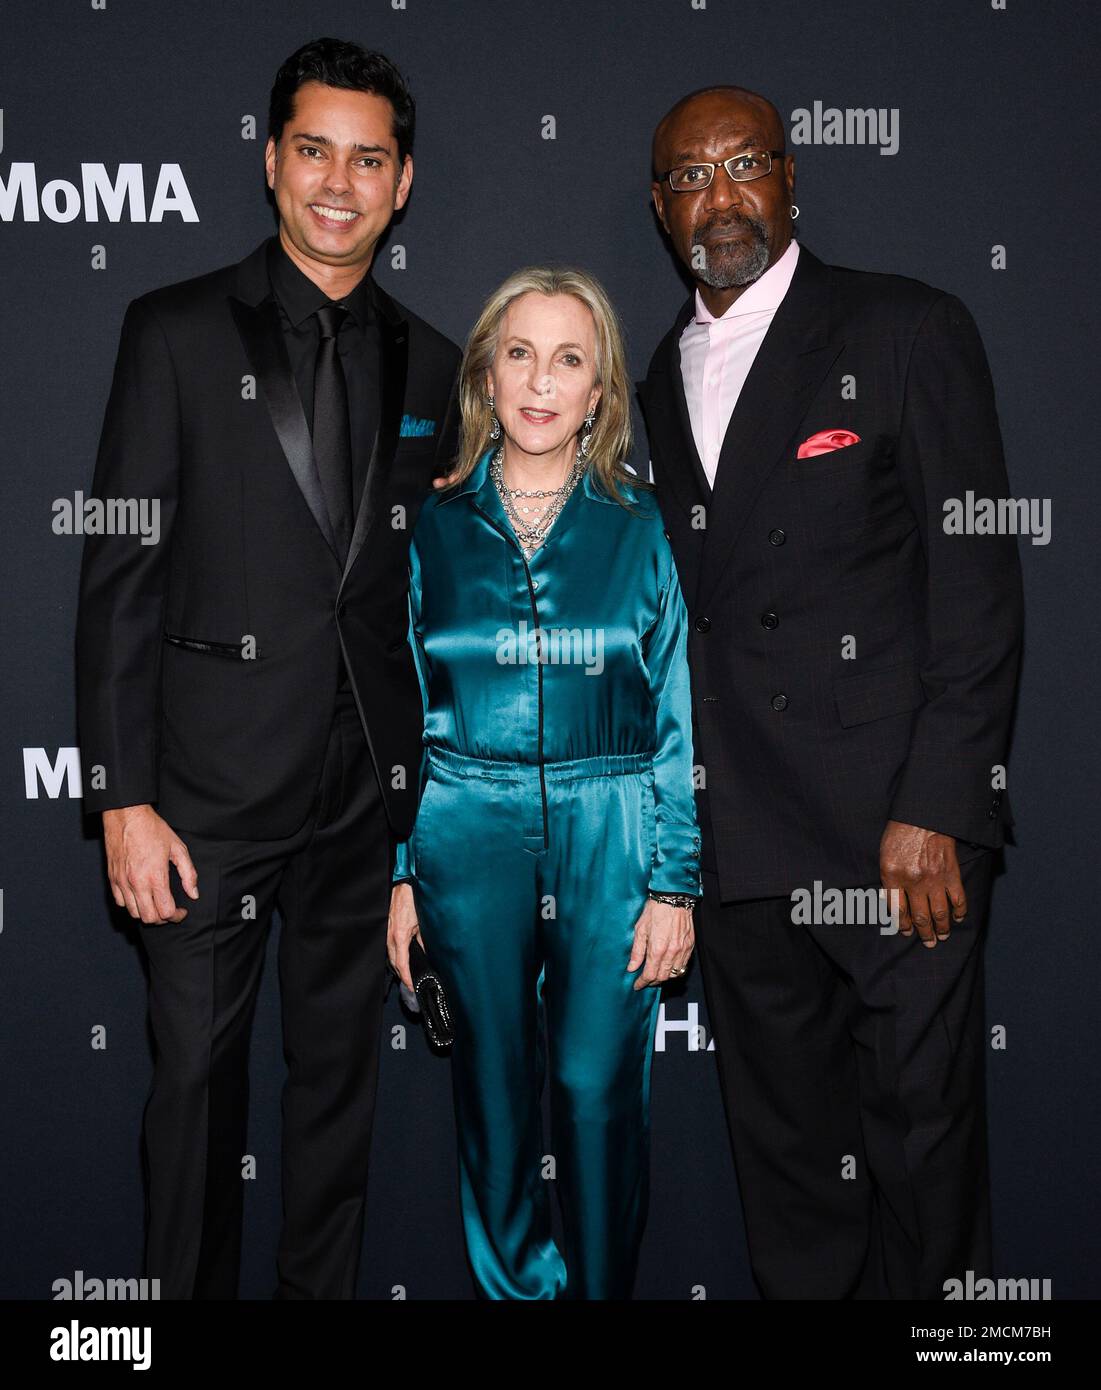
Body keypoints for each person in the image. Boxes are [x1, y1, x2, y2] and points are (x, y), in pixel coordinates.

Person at [74, 37, 460, 1299]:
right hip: (203, 802)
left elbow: (419, 595)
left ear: (403, 182)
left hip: (363, 805)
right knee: (192, 1094)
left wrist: (417, 828)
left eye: (368, 157)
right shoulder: (175, 330)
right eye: (314, 151)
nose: (338, 183)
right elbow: (120, 573)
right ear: (270, 161)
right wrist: (123, 799)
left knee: (338, 1098)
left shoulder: (436, 359)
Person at [639, 85, 1024, 1299]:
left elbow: (978, 583)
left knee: (925, 1160)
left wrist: (942, 806)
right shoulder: (656, 373)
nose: (721, 197)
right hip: (743, 841)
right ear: (662, 210)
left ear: (792, 176)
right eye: (691, 178)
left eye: (744, 163)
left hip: (891, 840)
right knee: (794, 1179)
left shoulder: (904, 326)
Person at [386, 267, 701, 1299]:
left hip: (612, 826)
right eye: (519, 352)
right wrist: (401, 867)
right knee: (494, 1098)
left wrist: (674, 879)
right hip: (462, 823)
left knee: (595, 1093)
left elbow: (671, 714)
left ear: (600, 391)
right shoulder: (433, 526)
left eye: (569, 359)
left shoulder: (640, 526)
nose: (539, 381)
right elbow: (407, 705)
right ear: (486, 372)